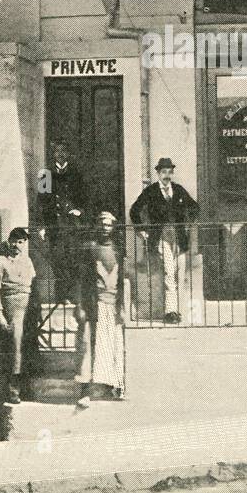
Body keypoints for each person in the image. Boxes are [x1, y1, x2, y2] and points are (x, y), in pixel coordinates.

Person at [129, 157, 199, 325]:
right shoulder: (151, 191)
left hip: (179, 237)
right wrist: (142, 230)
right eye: (163, 172)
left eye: (169, 172)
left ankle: (177, 310)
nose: (167, 175)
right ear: (158, 173)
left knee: (178, 273)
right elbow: (134, 210)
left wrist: (188, 225)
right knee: (169, 271)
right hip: (161, 236)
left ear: (172, 173)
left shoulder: (179, 190)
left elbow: (195, 207)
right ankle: (170, 312)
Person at [73, 210, 127, 408]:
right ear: (97, 226)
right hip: (93, 305)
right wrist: (79, 306)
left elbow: (121, 281)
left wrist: (122, 307)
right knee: (88, 347)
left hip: (113, 306)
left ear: (113, 227)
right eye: (102, 224)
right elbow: (81, 280)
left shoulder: (118, 250)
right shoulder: (90, 249)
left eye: (109, 224)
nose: (105, 227)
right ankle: (85, 391)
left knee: (114, 346)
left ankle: (116, 386)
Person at [0, 227, 36, 404]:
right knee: (15, 346)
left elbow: (32, 282)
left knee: (28, 345)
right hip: (12, 307)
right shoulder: (0, 261)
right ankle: (13, 389)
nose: (17, 245)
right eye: (15, 241)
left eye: (21, 241)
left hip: (29, 306)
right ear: (9, 242)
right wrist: (0, 315)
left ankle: (27, 387)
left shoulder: (27, 261)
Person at [37, 141, 86, 302]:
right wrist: (42, 226)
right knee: (58, 260)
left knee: (73, 258)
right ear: (53, 154)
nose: (60, 154)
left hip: (72, 225)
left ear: (68, 153)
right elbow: (41, 203)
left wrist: (80, 210)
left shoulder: (77, 173)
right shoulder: (45, 174)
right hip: (54, 226)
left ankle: (74, 296)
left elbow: (86, 198)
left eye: (63, 151)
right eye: (57, 151)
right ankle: (62, 297)